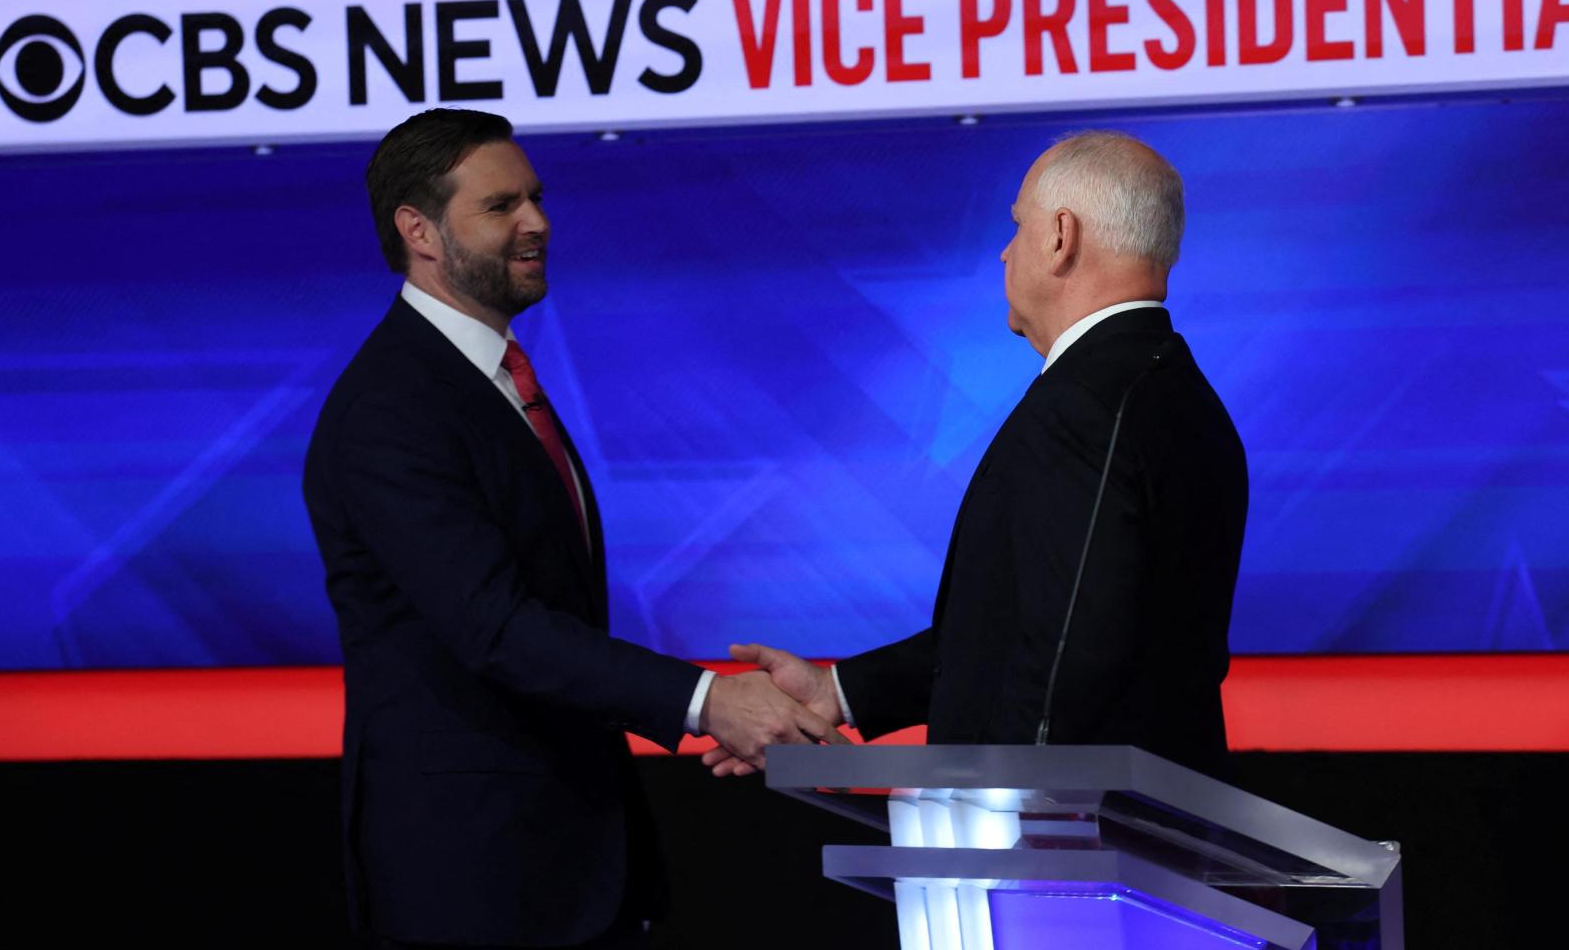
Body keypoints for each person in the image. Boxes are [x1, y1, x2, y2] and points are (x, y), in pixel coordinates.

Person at [302, 108, 838, 949]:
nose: (537, 223)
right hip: (474, 876)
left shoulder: (492, 378)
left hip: (573, 857)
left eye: (537, 199)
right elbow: (496, 628)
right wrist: (707, 701)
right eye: (501, 206)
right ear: (421, 231)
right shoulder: (390, 409)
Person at [706, 131, 1247, 778]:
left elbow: (1066, 659)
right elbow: (1027, 630)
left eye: (1018, 225)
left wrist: (976, 813)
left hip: (1061, 856)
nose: (1003, 250)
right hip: (1140, 832)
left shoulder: (1083, 407)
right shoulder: (1184, 400)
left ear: (1059, 237)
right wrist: (839, 693)